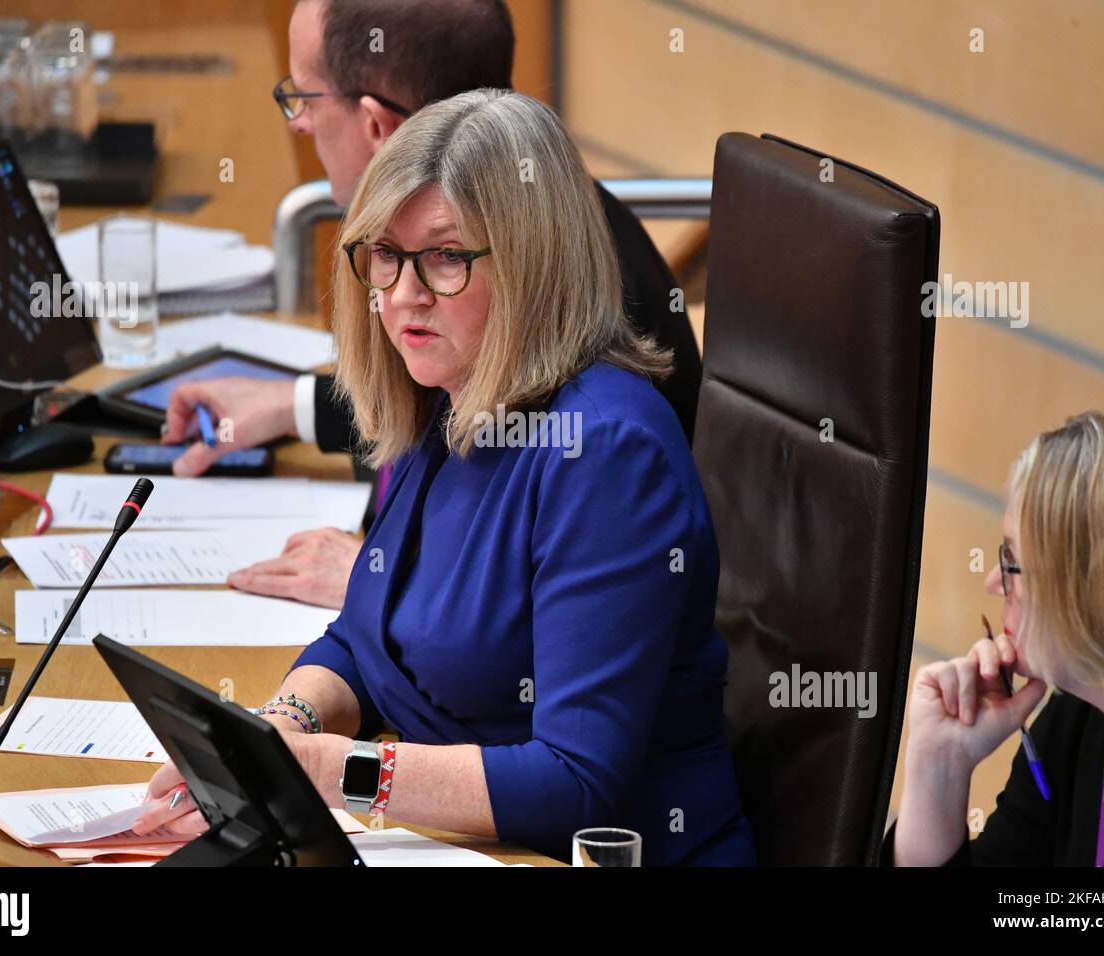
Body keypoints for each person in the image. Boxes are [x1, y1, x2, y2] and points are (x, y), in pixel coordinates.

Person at [134, 89, 753, 866]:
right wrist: (282, 727)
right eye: (385, 256)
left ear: (535, 262)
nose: (401, 296)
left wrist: (325, 770)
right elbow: (366, 643)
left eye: (447, 258)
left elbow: (575, 783)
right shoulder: (441, 391)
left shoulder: (606, 455)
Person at [160, 0, 703, 611]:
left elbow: (551, 571)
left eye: (306, 98)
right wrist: (297, 406)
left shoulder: (570, 310)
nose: (299, 125)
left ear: (374, 124)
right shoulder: (531, 223)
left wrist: (384, 582)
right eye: (385, 257)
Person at [887, 408, 1104, 866]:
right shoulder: (1077, 722)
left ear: (1098, 587)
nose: (992, 582)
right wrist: (939, 768)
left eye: (1011, 560)